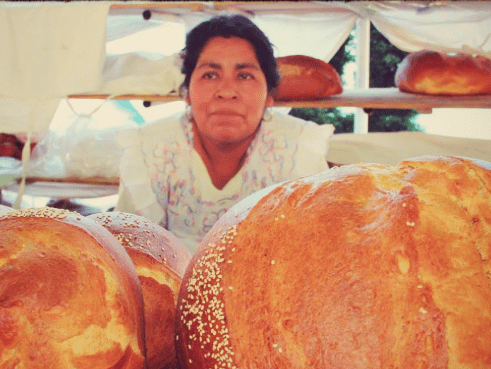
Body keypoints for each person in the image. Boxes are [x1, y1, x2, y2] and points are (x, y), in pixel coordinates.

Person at [115, 15, 334, 252]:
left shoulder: (300, 153)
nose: (227, 92)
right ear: (187, 92)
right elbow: (127, 251)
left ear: (269, 96)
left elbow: (315, 250)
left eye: (244, 76)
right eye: (210, 75)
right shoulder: (149, 150)